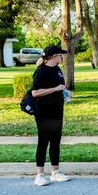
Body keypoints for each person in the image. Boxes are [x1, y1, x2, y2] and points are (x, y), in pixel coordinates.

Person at [31, 44, 71, 187]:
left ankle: (55, 172)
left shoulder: (57, 70)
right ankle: (40, 175)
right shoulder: (41, 71)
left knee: (56, 140)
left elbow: (60, 87)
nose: (61, 57)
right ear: (53, 56)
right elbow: (35, 92)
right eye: (60, 55)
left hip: (57, 110)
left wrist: (64, 92)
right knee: (43, 141)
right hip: (43, 111)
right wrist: (55, 89)